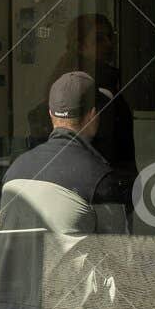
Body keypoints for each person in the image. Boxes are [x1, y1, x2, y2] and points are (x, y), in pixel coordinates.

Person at [0, 71, 130, 309]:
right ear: (93, 116)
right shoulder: (100, 177)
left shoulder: (15, 169)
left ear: (51, 115)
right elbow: (121, 253)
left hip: (11, 308)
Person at [50, 13, 136, 186]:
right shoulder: (77, 86)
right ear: (80, 46)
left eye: (110, 37)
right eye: (99, 39)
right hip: (97, 187)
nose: (108, 44)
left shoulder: (107, 80)